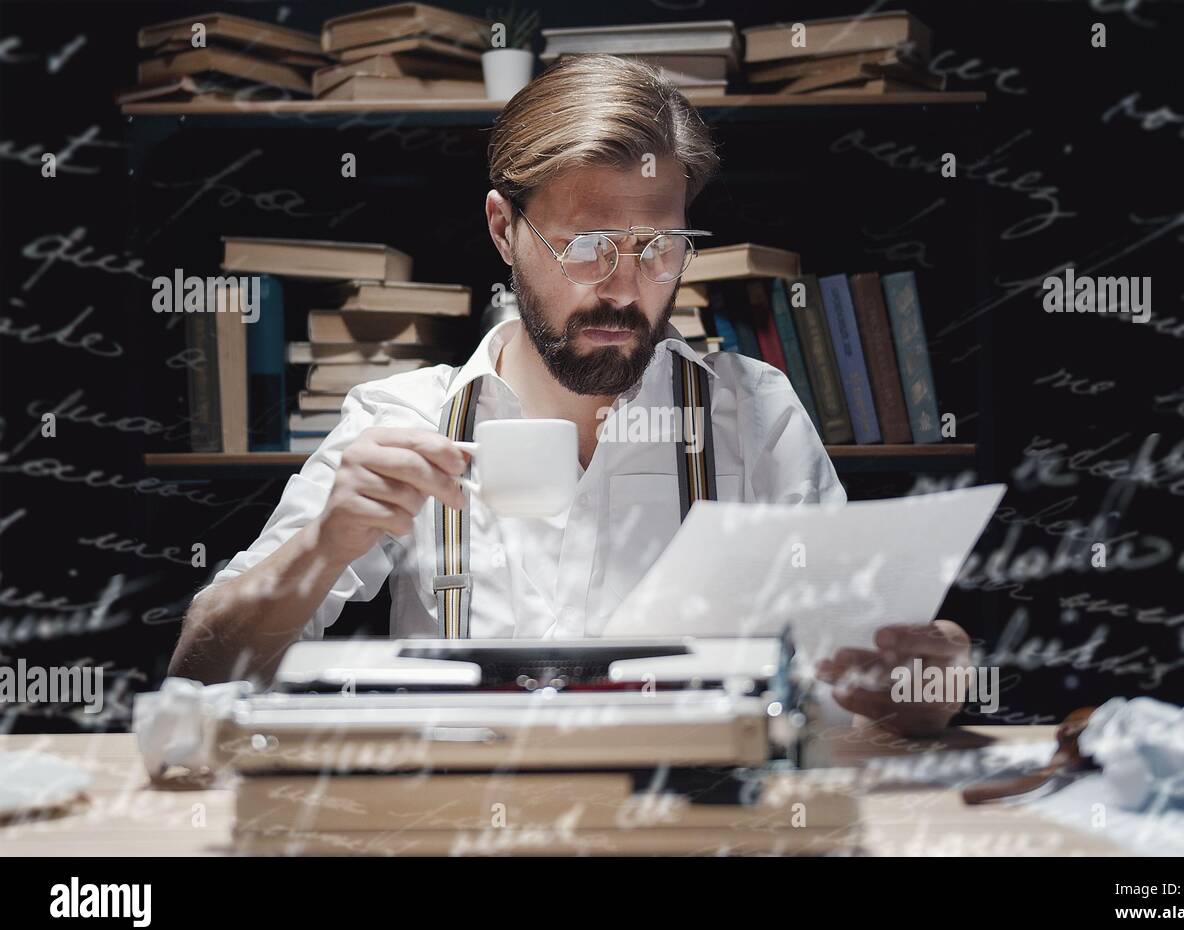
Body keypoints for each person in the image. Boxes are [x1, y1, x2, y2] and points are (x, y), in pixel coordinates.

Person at [169, 54, 970, 736]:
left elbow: (877, 692)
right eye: (586, 245)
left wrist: (935, 677)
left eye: (657, 246)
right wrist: (322, 550)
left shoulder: (753, 417)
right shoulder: (403, 419)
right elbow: (201, 673)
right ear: (502, 228)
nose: (624, 287)